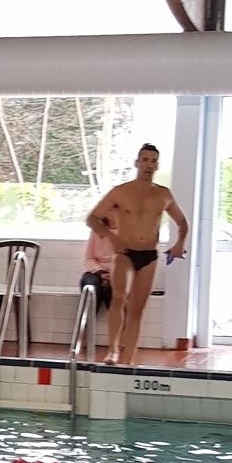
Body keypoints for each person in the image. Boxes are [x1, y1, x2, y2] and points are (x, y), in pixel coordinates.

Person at [87, 144, 188, 367]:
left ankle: (128, 358)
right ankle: (113, 350)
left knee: (137, 310)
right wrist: (111, 237)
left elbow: (182, 222)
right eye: (145, 160)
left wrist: (179, 243)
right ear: (137, 163)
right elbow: (92, 218)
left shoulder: (163, 194)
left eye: (153, 161)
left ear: (157, 165)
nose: (149, 165)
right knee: (118, 298)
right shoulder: (120, 192)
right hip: (125, 253)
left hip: (149, 256)